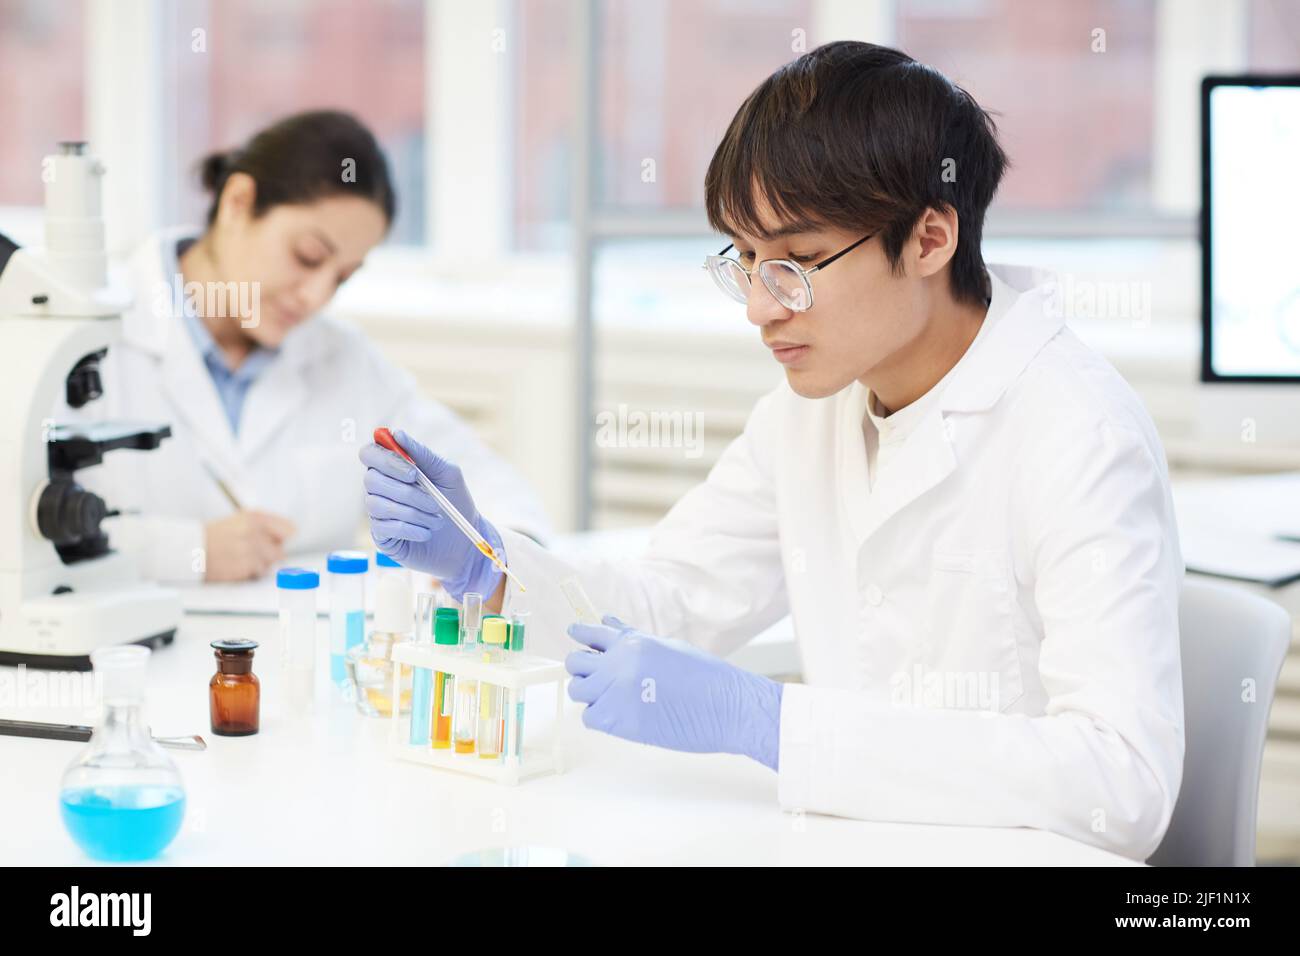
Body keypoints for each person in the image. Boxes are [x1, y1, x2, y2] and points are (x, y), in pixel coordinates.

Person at [359, 43, 1183, 860]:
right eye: (746, 260)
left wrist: (770, 724)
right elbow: (665, 605)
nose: (759, 307)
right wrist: (489, 564)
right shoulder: (811, 411)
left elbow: (1122, 783)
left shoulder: (1078, 432)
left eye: (794, 263)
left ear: (930, 239)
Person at [63, 110, 550, 582]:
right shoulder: (85, 331)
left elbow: (482, 482)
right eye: (307, 256)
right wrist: (185, 552)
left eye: (340, 277)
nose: (317, 296)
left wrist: (491, 565)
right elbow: (22, 535)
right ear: (238, 202)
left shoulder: (346, 361)